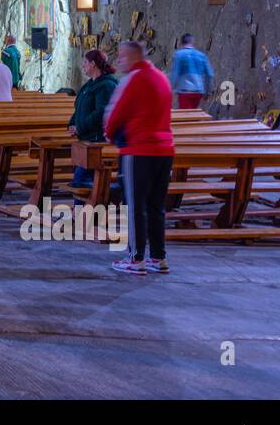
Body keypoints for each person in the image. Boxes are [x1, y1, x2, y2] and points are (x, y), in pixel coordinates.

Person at [104, 41, 174, 275]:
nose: (119, 60)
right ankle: (158, 257)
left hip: (138, 149)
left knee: (134, 206)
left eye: (123, 56)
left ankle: (135, 258)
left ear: (134, 57)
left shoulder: (134, 78)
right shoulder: (161, 77)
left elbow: (114, 114)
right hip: (164, 150)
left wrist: (110, 136)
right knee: (156, 206)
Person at [67, 49, 119, 188]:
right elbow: (79, 107)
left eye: (85, 62)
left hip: (96, 141)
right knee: (81, 179)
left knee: (81, 180)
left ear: (93, 64)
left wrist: (80, 127)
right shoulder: (90, 84)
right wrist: (72, 124)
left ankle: (84, 209)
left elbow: (100, 113)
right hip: (86, 139)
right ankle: (86, 208)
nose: (83, 65)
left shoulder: (107, 85)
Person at [171, 34, 214, 110]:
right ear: (192, 42)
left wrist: (170, 88)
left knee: (185, 116)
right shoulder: (202, 56)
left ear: (181, 43)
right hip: (198, 91)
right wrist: (208, 92)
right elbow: (210, 74)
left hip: (185, 91)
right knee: (193, 113)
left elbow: (175, 74)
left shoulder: (179, 55)